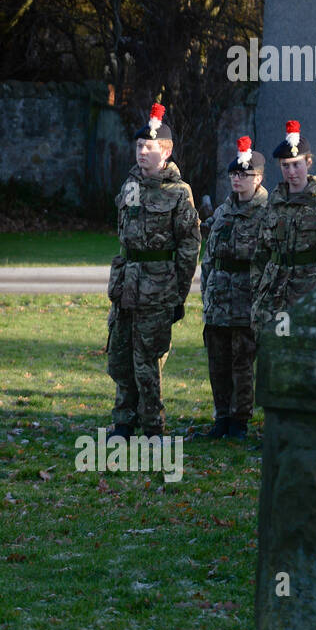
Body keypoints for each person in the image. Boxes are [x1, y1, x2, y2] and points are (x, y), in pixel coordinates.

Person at [105, 103, 201, 440]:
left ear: (167, 150)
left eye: (150, 147)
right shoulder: (130, 185)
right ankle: (122, 422)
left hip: (158, 287)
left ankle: (152, 427)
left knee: (147, 360)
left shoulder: (178, 192)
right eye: (139, 146)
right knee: (120, 355)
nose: (143, 152)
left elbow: (189, 246)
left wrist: (178, 293)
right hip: (126, 285)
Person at [251, 120, 316, 338]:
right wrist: (258, 290)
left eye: (297, 164)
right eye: (285, 166)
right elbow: (261, 252)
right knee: (272, 358)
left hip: (309, 295)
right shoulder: (273, 204)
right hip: (273, 296)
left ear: (308, 162)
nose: (291, 171)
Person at [197, 136, 267, 440]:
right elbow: (210, 255)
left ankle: (239, 421)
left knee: (242, 364)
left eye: (245, 175)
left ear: (259, 177)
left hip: (246, 300)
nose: (237, 180)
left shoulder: (267, 212)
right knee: (218, 363)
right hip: (219, 301)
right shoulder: (223, 211)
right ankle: (221, 418)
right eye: (234, 175)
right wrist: (207, 291)